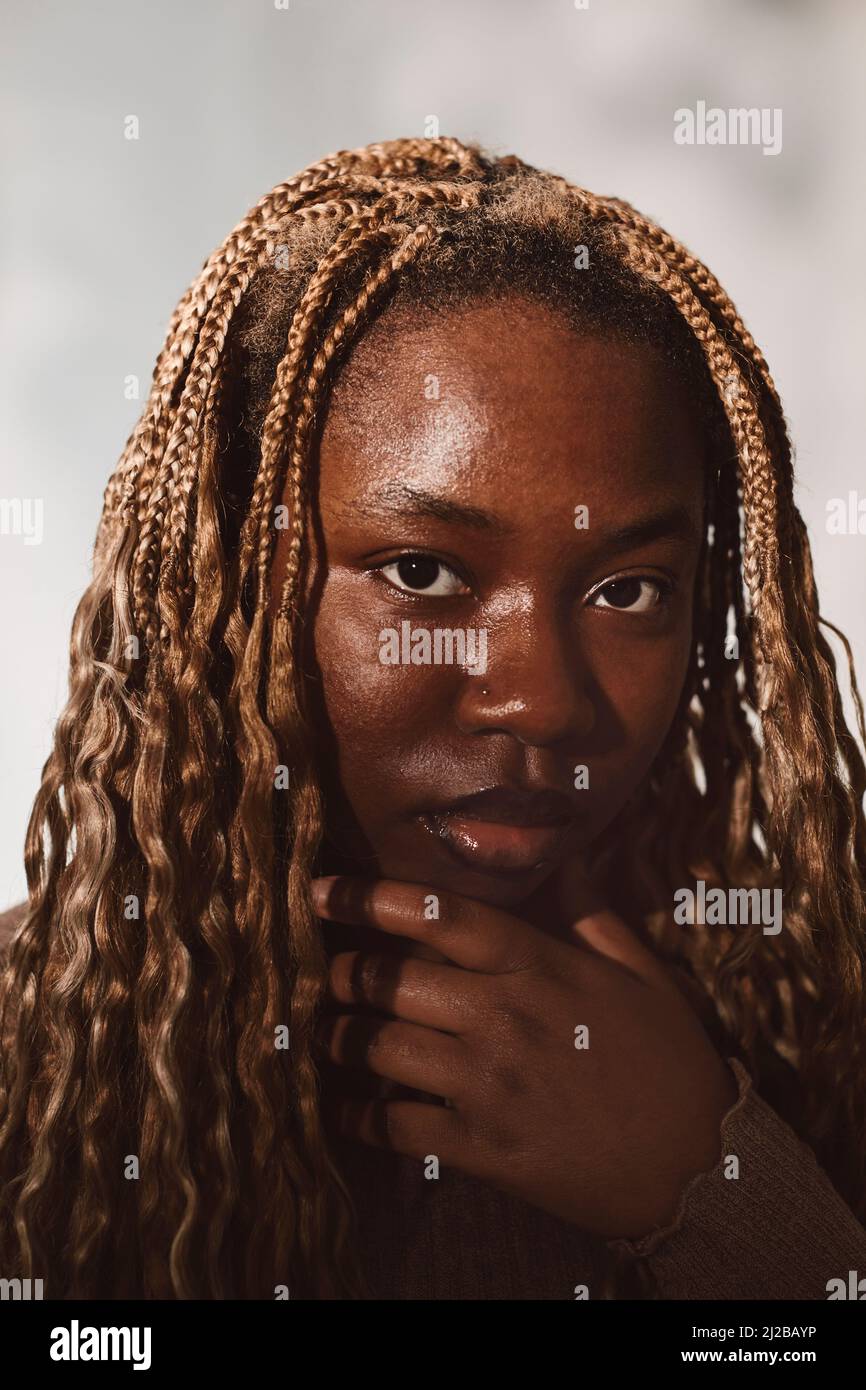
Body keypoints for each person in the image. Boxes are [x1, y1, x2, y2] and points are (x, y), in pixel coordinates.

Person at [1, 136, 865, 1301]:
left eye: (628, 590)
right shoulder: (27, 1056)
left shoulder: (810, 1031)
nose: (541, 701)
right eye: (420, 573)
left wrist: (712, 1184)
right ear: (220, 581)